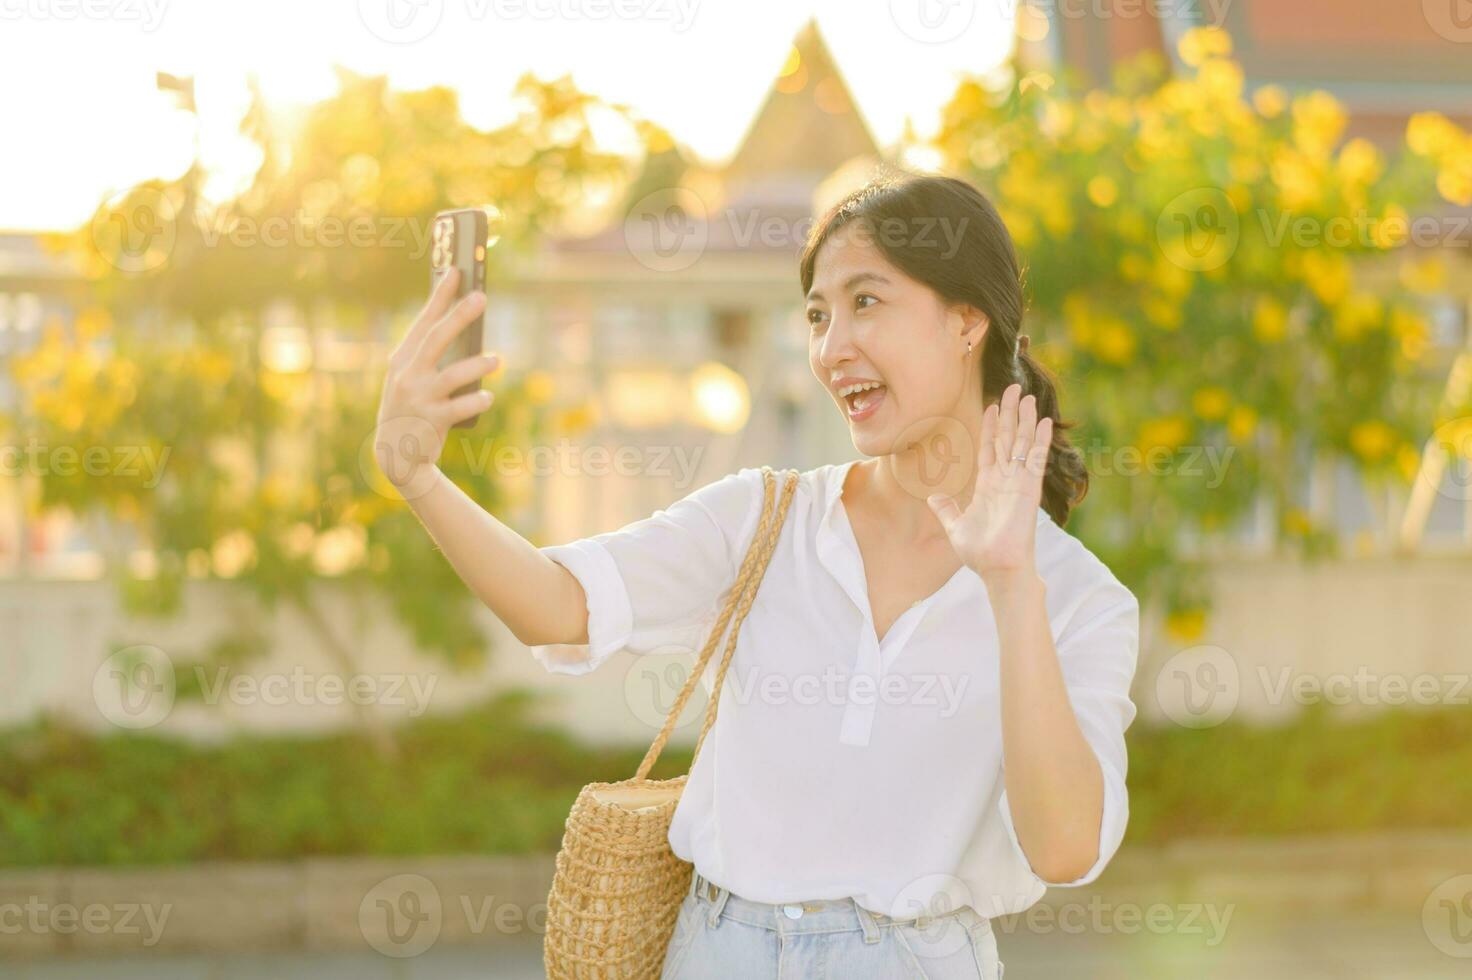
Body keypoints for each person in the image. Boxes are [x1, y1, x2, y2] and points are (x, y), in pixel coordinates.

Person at [375, 169, 1140, 979]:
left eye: (867, 302)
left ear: (965, 322)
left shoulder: (1081, 600)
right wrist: (418, 476)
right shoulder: (763, 520)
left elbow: (1063, 848)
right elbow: (559, 606)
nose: (831, 347)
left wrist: (1010, 581)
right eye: (818, 315)